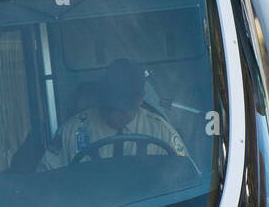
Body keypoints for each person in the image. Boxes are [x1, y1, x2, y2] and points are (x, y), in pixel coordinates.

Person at [38, 58, 188, 170]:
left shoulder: (160, 131)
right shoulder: (71, 131)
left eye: (123, 109)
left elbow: (184, 174)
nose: (114, 115)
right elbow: (46, 177)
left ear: (141, 98)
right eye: (110, 108)